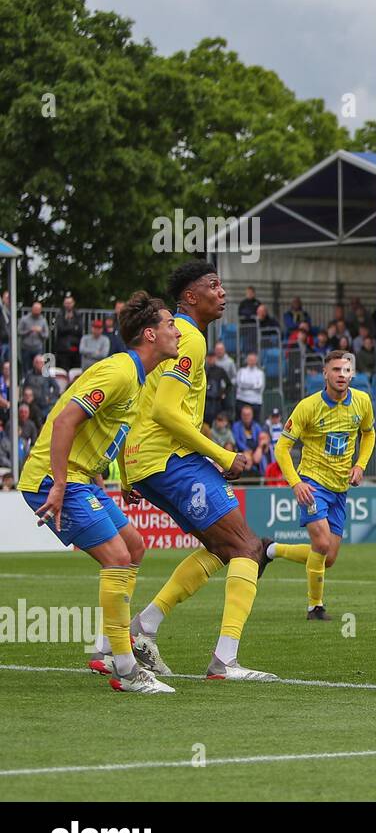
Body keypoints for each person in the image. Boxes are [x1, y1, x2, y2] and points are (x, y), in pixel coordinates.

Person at [18, 291, 181, 693]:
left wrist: (123, 479)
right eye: (170, 325)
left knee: (135, 547)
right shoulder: (119, 372)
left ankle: (109, 648)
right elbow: (64, 423)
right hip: (55, 480)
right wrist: (57, 484)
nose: (177, 332)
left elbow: (119, 432)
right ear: (150, 333)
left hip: (81, 479)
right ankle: (126, 670)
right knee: (118, 559)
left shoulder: (140, 376)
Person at [123, 260, 276, 682]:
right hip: (169, 460)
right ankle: (224, 662)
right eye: (213, 285)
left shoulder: (178, 336)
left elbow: (146, 404)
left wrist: (124, 464)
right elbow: (166, 411)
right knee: (248, 547)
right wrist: (223, 457)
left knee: (221, 548)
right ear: (191, 296)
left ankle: (145, 626)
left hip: (150, 459)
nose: (222, 291)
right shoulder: (186, 337)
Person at [265, 350, 375, 620]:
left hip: (340, 488)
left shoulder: (362, 402)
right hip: (312, 484)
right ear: (325, 373)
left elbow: (369, 433)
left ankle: (271, 549)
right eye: (336, 370)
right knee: (322, 543)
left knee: (328, 558)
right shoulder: (308, 406)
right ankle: (315, 606)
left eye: (346, 370)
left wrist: (360, 464)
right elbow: (282, 449)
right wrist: (296, 483)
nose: (341, 375)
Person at [18, 301, 48, 372]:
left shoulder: (43, 321)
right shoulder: (24, 319)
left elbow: (46, 335)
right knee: (26, 369)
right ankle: (26, 382)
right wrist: (29, 331)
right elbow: (18, 332)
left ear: (40, 310)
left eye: (38, 310)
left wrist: (40, 332)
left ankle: (37, 382)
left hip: (38, 348)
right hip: (26, 348)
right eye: (35, 309)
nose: (37, 311)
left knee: (38, 368)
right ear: (32, 309)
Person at [234, 352, 265, 423]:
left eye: (253, 360)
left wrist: (246, 385)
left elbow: (259, 387)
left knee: (255, 423)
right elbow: (241, 384)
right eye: (250, 359)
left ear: (256, 361)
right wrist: (253, 385)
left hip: (255, 402)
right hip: (242, 400)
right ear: (247, 360)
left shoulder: (260, 373)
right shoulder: (241, 371)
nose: (252, 361)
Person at [204, 351, 233, 424]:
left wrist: (223, 394)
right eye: (209, 358)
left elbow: (229, 384)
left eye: (212, 358)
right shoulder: (203, 370)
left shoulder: (220, 370)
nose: (210, 360)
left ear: (215, 358)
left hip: (216, 401)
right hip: (204, 400)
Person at [53, 294, 81, 370]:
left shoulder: (77, 314)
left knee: (74, 371)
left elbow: (79, 330)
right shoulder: (60, 314)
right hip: (62, 349)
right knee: (63, 370)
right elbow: (60, 329)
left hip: (75, 347)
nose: (68, 305)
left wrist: (67, 327)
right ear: (64, 304)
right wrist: (73, 327)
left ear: (73, 303)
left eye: (70, 303)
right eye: (66, 303)